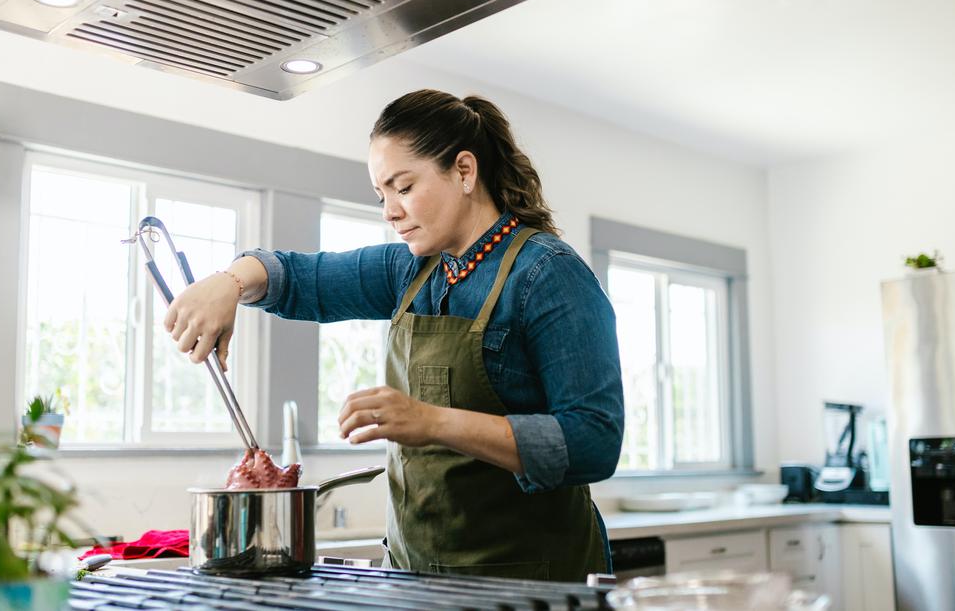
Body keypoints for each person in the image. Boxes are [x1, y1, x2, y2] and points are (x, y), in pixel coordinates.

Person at [164, 89, 624, 582]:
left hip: (531, 583)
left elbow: (593, 440)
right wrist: (228, 283)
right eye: (381, 195)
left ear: (464, 171)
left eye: (402, 187)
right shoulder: (411, 271)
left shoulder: (548, 274)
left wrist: (430, 422)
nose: (390, 210)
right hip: (416, 580)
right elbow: (298, 278)